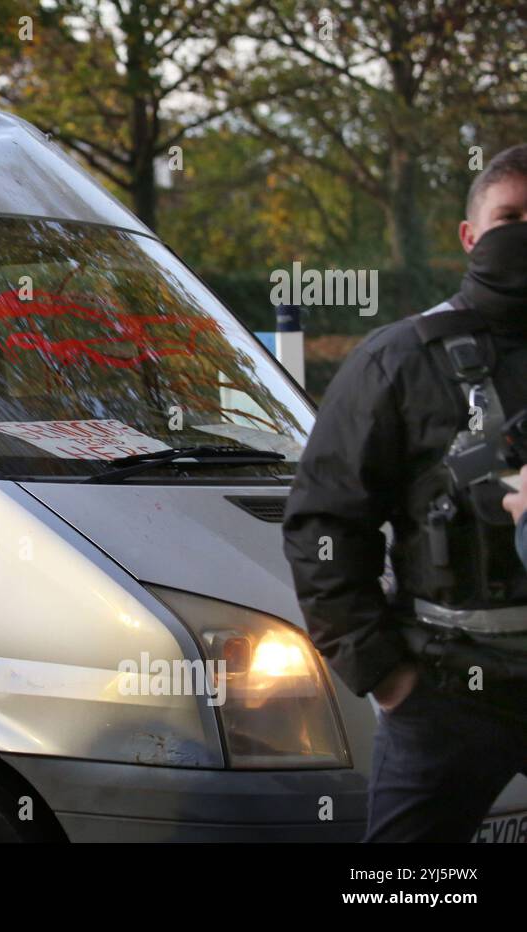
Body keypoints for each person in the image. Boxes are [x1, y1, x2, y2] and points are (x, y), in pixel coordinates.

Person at [283, 143, 527, 843]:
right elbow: (323, 527)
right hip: (444, 692)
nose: (523, 230)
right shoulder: (396, 361)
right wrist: (385, 675)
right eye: (509, 216)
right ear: (470, 236)